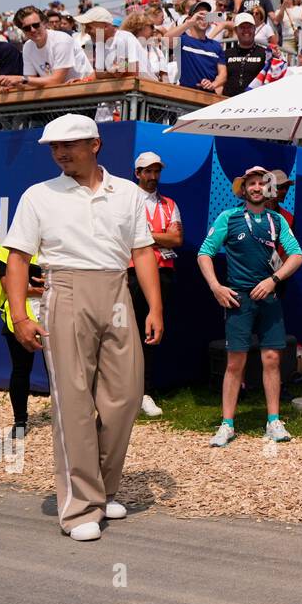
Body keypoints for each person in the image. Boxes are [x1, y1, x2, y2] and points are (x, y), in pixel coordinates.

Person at [2, 115, 163, 540]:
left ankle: (102, 489)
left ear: (95, 144)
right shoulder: (39, 195)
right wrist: (21, 316)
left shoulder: (127, 192)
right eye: (53, 146)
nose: (59, 153)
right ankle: (78, 509)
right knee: (72, 402)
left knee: (126, 397)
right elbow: (16, 260)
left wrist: (155, 308)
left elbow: (143, 252)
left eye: (69, 144)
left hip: (117, 292)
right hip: (65, 291)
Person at [198, 167, 302, 449]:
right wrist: (216, 287)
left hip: (269, 297)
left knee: (271, 358)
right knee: (235, 362)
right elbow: (204, 253)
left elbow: (297, 255)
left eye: (261, 183)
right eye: (252, 184)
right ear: (243, 189)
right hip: (239, 299)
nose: (257, 188)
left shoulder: (277, 220)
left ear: (268, 188)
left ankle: (273, 420)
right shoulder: (228, 217)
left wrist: (274, 280)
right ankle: (227, 424)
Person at [131, 151, 182, 418]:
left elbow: (176, 240)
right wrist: (160, 237)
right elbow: (124, 237)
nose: (152, 177)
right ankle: (122, 391)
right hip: (130, 271)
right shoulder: (127, 201)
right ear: (137, 173)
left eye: (156, 171)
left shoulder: (169, 204)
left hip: (162, 271)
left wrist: (146, 236)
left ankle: (144, 391)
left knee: (151, 332)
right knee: (127, 331)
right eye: (147, 171)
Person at [0, 243, 43, 440]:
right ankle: (20, 421)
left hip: (51, 318)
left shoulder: (52, 248)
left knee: (57, 374)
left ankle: (64, 418)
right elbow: (7, 285)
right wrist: (39, 290)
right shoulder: (4, 251)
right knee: (21, 370)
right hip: (19, 321)